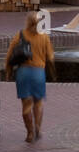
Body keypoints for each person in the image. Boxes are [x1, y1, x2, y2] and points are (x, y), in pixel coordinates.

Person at [5, 11, 55, 143]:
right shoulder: (44, 37)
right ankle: (38, 127)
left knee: (26, 105)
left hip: (23, 73)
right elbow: (50, 57)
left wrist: (8, 72)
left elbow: (9, 55)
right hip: (39, 73)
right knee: (38, 103)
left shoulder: (20, 35)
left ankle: (30, 133)